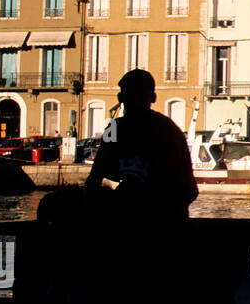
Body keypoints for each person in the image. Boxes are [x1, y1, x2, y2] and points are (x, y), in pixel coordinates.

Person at [84, 69, 198, 218]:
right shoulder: (171, 130)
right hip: (169, 219)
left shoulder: (114, 129)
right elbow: (190, 191)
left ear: (121, 98)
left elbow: (94, 180)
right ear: (153, 98)